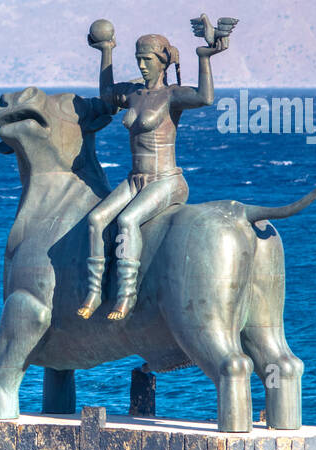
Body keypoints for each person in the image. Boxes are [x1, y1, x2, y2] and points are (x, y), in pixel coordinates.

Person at [80, 18, 230, 320]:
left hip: (166, 180)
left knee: (127, 221)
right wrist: (106, 50)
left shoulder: (171, 96)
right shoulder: (134, 94)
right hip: (136, 180)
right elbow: (107, 92)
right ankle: (94, 292)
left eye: (147, 59)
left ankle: (126, 295)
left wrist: (204, 58)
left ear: (162, 61)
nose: (141, 65)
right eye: (138, 59)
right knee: (96, 219)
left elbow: (205, 97)